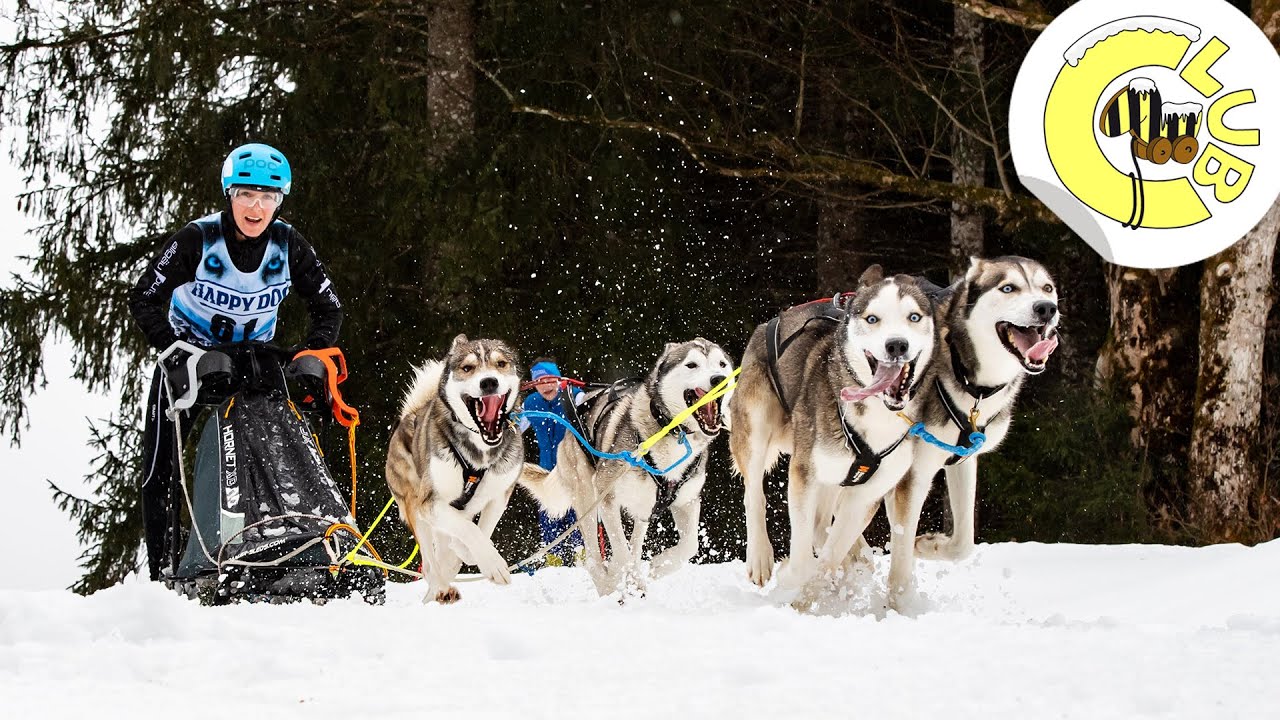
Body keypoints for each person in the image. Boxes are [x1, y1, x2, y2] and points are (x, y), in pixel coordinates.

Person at [127, 143, 343, 581]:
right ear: (230, 194)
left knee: (277, 453)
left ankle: (280, 551)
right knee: (159, 465)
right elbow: (144, 298)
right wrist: (172, 349)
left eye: (268, 197)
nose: (256, 207)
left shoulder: (288, 244)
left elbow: (330, 307)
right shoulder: (197, 238)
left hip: (252, 361)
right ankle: (161, 571)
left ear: (279, 201)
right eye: (246, 194)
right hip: (191, 358)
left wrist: (312, 352)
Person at [519, 359, 585, 566]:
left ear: (558, 379)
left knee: (579, 514)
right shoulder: (530, 404)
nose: (545, 386)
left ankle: (584, 557)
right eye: (539, 382)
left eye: (549, 379)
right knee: (549, 516)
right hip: (546, 471)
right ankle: (553, 562)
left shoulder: (575, 397)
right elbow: (513, 430)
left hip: (576, 469)